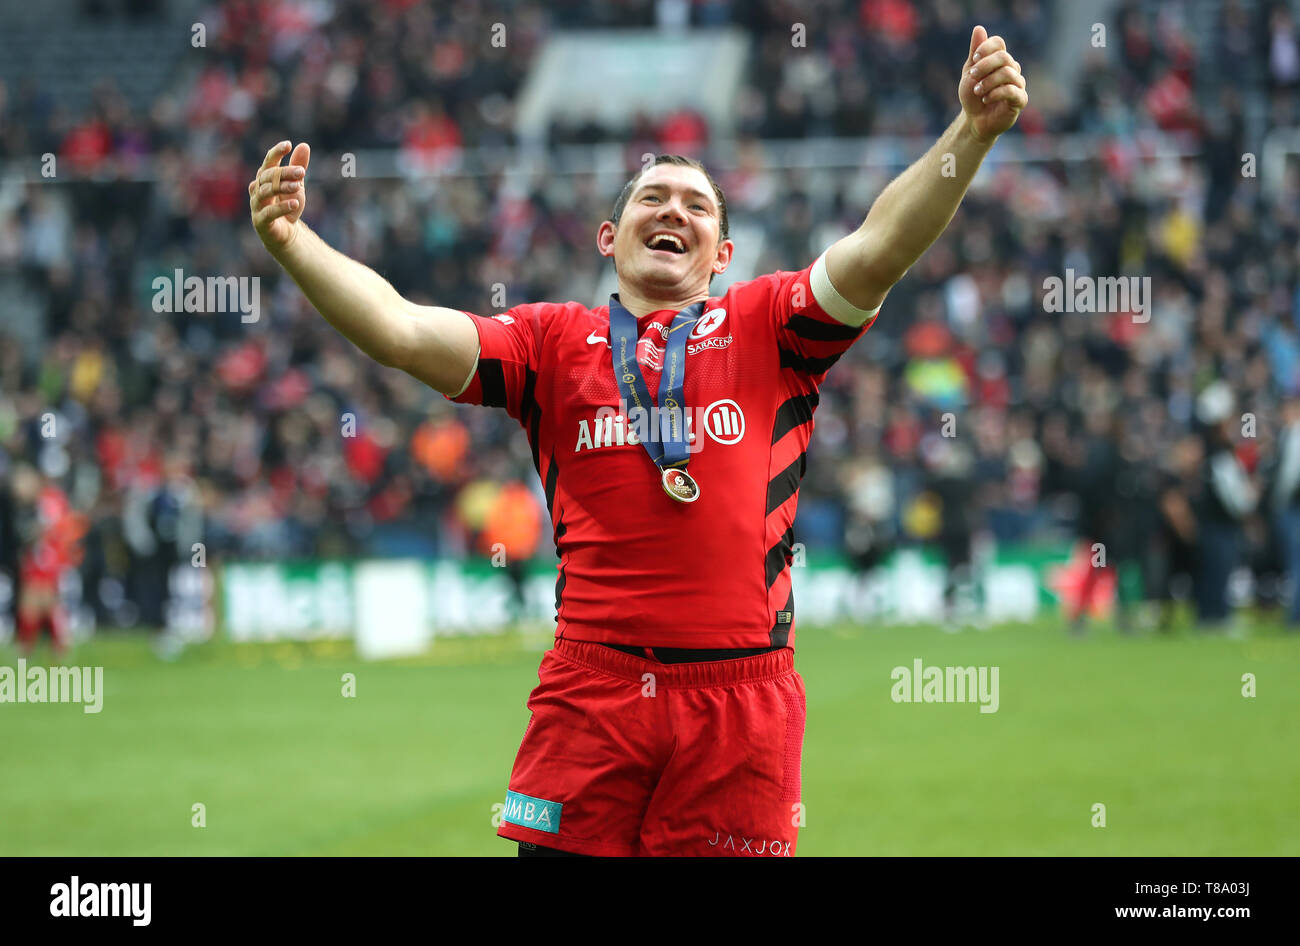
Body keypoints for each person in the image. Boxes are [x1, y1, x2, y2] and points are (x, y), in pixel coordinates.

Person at [248, 26, 1027, 856]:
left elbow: (879, 248)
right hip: (593, 689)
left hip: (741, 700)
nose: (673, 212)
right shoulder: (549, 341)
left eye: (697, 205)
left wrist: (969, 136)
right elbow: (403, 330)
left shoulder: (771, 323)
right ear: (606, 236)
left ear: (723, 253)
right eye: (652, 198)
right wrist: (295, 246)